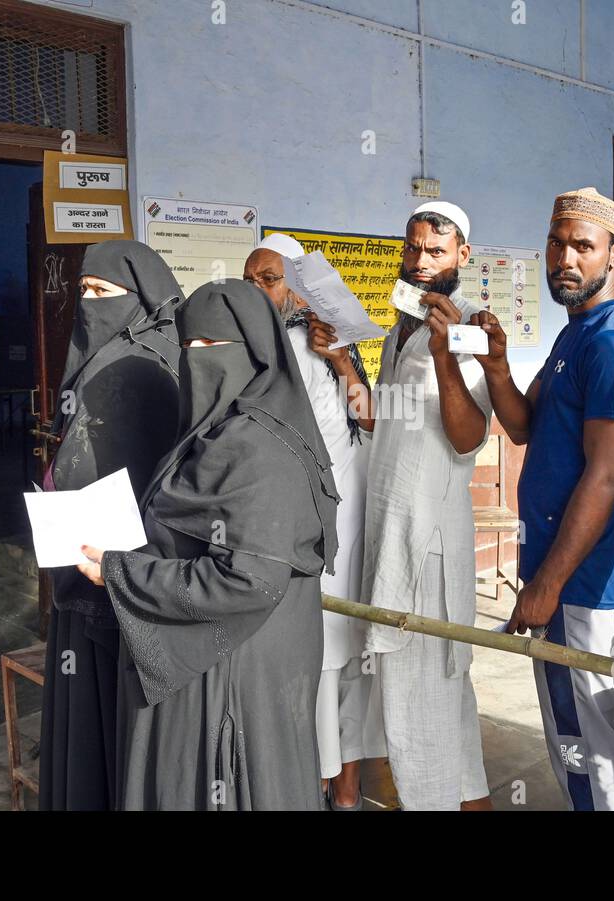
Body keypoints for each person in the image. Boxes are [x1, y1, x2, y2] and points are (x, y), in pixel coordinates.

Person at [76, 278, 339, 810]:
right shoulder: (222, 431)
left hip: (232, 663)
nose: (198, 360)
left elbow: (249, 579)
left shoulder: (257, 447)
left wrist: (123, 574)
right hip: (229, 652)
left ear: (257, 354)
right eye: (190, 347)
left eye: (213, 347)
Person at [472, 188, 614, 811]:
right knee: (568, 733)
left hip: (579, 582)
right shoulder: (574, 334)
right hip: (556, 574)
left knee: (586, 742)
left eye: (583, 245)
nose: (565, 259)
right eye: (557, 243)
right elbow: (522, 425)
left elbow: (606, 476)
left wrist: (547, 583)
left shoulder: (612, 344)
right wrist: (497, 365)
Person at [355, 201, 494, 810]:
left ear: (462, 256)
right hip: (392, 526)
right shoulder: (400, 330)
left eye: (435, 252)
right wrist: (340, 360)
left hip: (428, 544)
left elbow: (469, 437)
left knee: (419, 711)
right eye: (412, 249)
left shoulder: (466, 332)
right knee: (444, 714)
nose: (420, 262)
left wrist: (444, 357)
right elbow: (382, 420)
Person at [39, 240, 184, 811]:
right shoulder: (105, 354)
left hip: (123, 573)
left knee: (114, 704)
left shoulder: (151, 360)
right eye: (84, 292)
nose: (89, 304)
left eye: (103, 293)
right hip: (84, 556)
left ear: (141, 294)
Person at [243, 233, 383, 810]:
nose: (258, 290)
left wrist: (342, 358)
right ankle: (313, 779)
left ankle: (346, 785)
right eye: (251, 279)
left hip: (346, 514)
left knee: (348, 649)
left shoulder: (330, 346)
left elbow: (370, 421)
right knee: (309, 655)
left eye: (270, 279)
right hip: (290, 519)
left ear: (301, 289)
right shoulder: (253, 350)